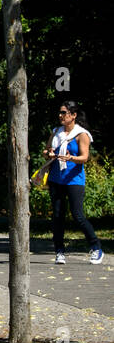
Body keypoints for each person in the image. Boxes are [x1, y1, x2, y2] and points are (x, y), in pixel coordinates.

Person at [46, 99, 104, 265]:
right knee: (58, 216)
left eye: (64, 113)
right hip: (56, 179)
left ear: (73, 115)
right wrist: (48, 153)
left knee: (77, 215)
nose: (60, 115)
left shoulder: (81, 134)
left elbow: (85, 157)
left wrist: (71, 158)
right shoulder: (56, 131)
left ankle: (96, 247)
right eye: (60, 112)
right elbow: (47, 149)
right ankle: (59, 251)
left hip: (74, 180)